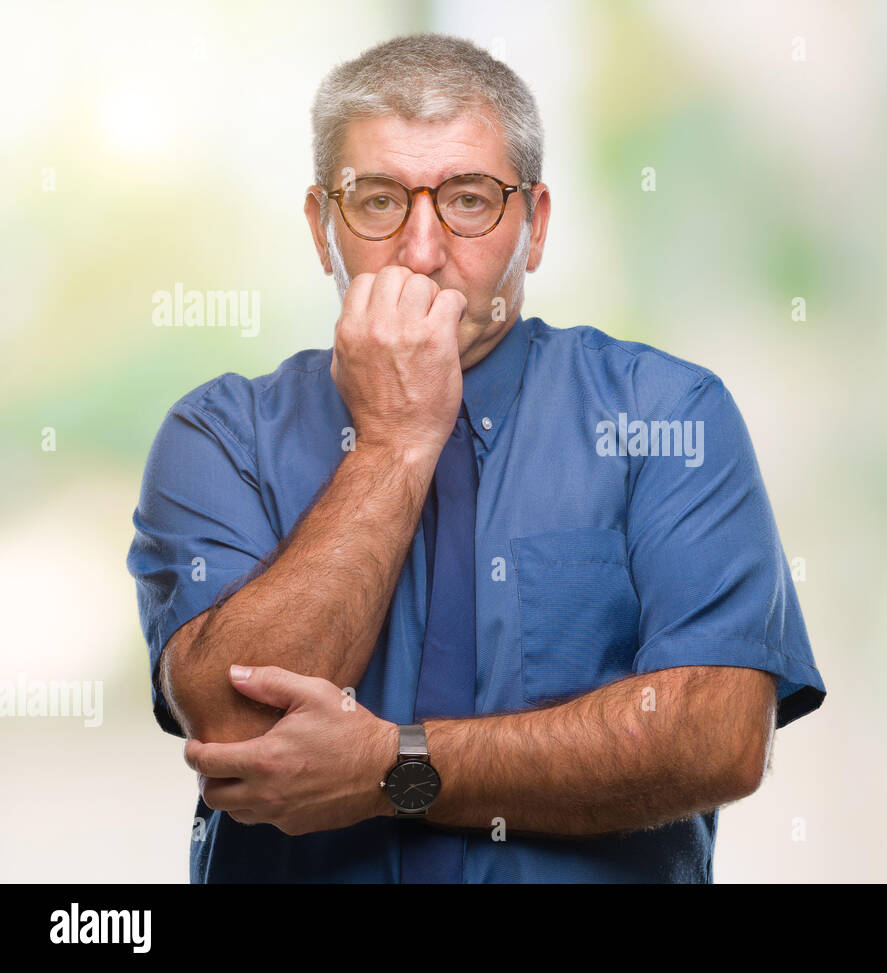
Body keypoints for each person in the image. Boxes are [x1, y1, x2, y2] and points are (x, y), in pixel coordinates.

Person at [126, 32, 826, 884]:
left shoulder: (668, 414)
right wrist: (395, 441)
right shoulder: (219, 436)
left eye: (468, 200)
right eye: (379, 200)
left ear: (533, 226)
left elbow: (716, 735)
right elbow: (237, 730)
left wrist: (398, 767)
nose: (422, 250)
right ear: (322, 228)